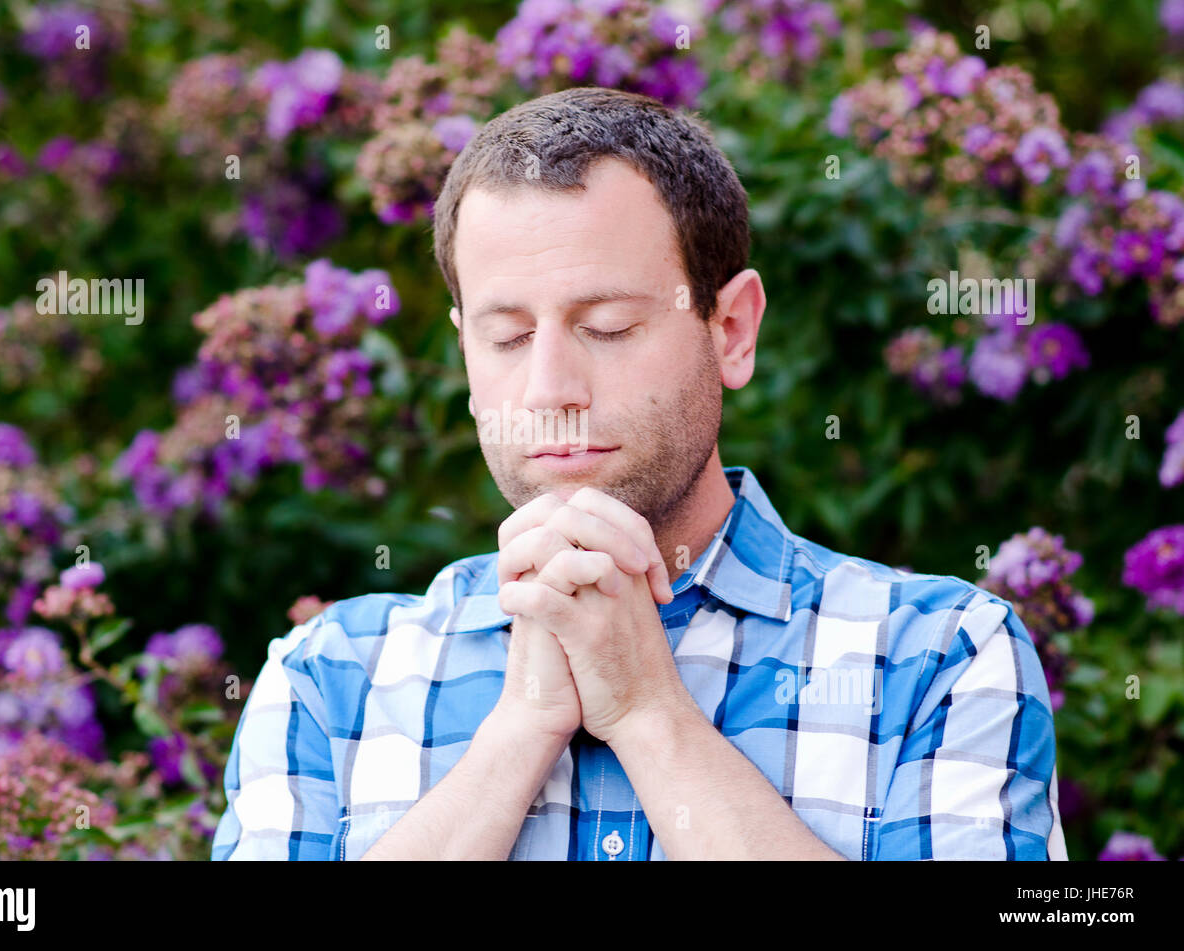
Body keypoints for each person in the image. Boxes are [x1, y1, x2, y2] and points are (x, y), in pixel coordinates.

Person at [211, 86, 1066, 861]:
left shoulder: (941, 656)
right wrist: (515, 739)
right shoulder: (328, 679)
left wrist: (651, 716)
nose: (548, 390)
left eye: (609, 326)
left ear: (731, 330)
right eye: (506, 337)